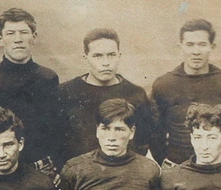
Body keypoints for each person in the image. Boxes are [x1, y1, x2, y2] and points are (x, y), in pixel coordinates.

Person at [0, 8, 63, 180]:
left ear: (34, 37)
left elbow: (56, 131)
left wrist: (55, 170)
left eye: (24, 32)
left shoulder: (48, 78)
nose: (18, 39)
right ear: (0, 39)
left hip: (41, 172)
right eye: (10, 33)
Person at [59, 28, 160, 163]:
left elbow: (142, 141)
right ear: (85, 58)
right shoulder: (66, 92)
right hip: (78, 172)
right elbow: (56, 141)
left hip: (123, 170)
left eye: (111, 55)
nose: (106, 62)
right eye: (98, 56)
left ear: (119, 56)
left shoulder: (135, 93)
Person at [151, 19, 221, 166]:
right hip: (177, 167)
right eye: (190, 45)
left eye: (202, 44)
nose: (196, 52)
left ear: (212, 46)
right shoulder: (164, 84)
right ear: (180, 46)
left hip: (217, 168)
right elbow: (155, 134)